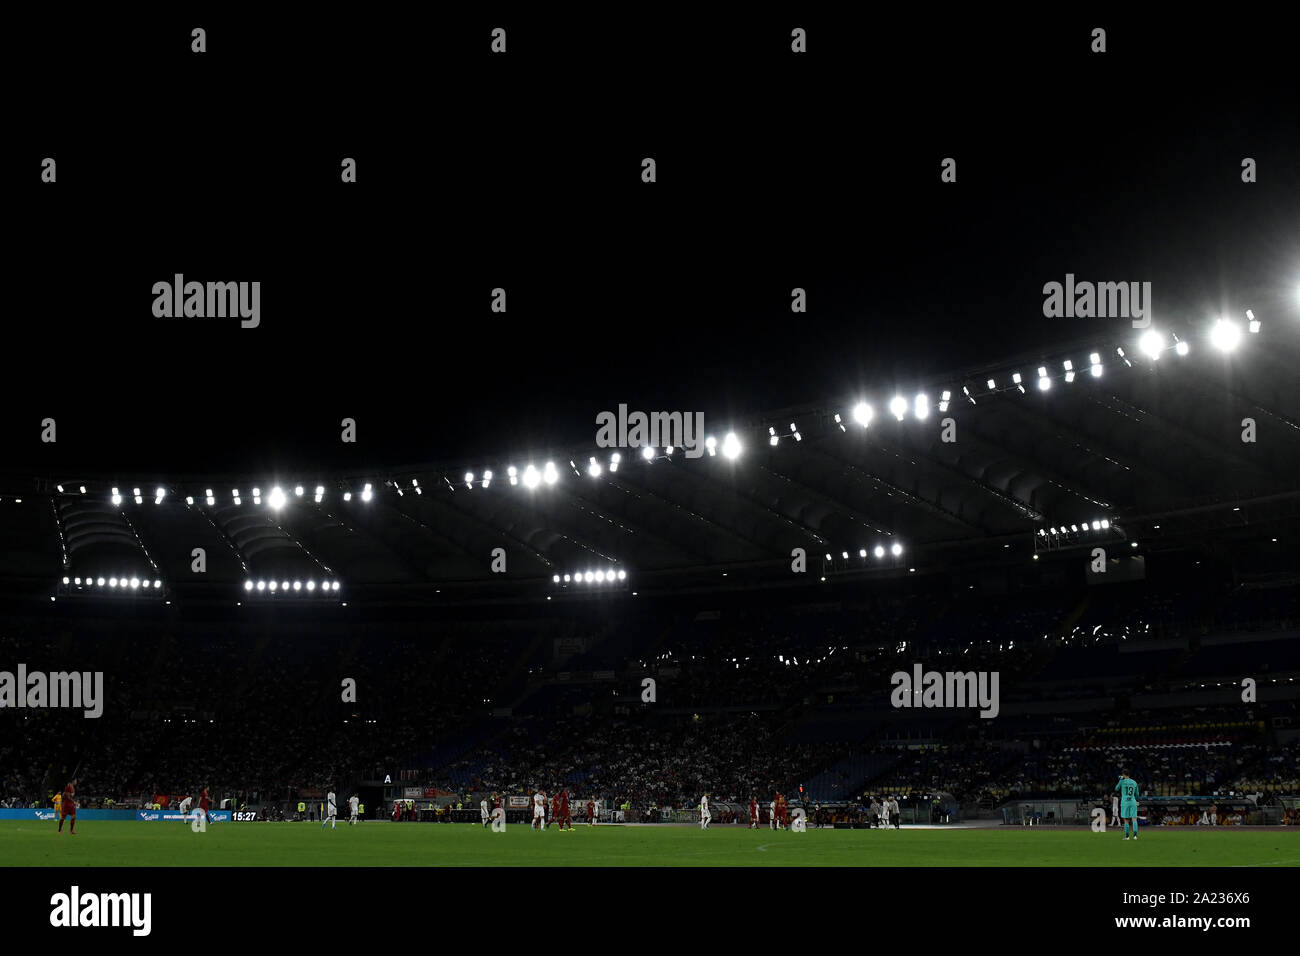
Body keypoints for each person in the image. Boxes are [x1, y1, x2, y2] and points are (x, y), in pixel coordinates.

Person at [1115, 772, 1140, 841]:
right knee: (1134, 819)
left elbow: (1116, 789)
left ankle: (1127, 836)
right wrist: (1137, 800)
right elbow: (1137, 794)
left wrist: (1120, 780)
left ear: (1123, 774)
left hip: (1125, 802)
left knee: (1126, 820)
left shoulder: (1122, 781)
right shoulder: (1134, 782)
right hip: (1133, 801)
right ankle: (1135, 836)